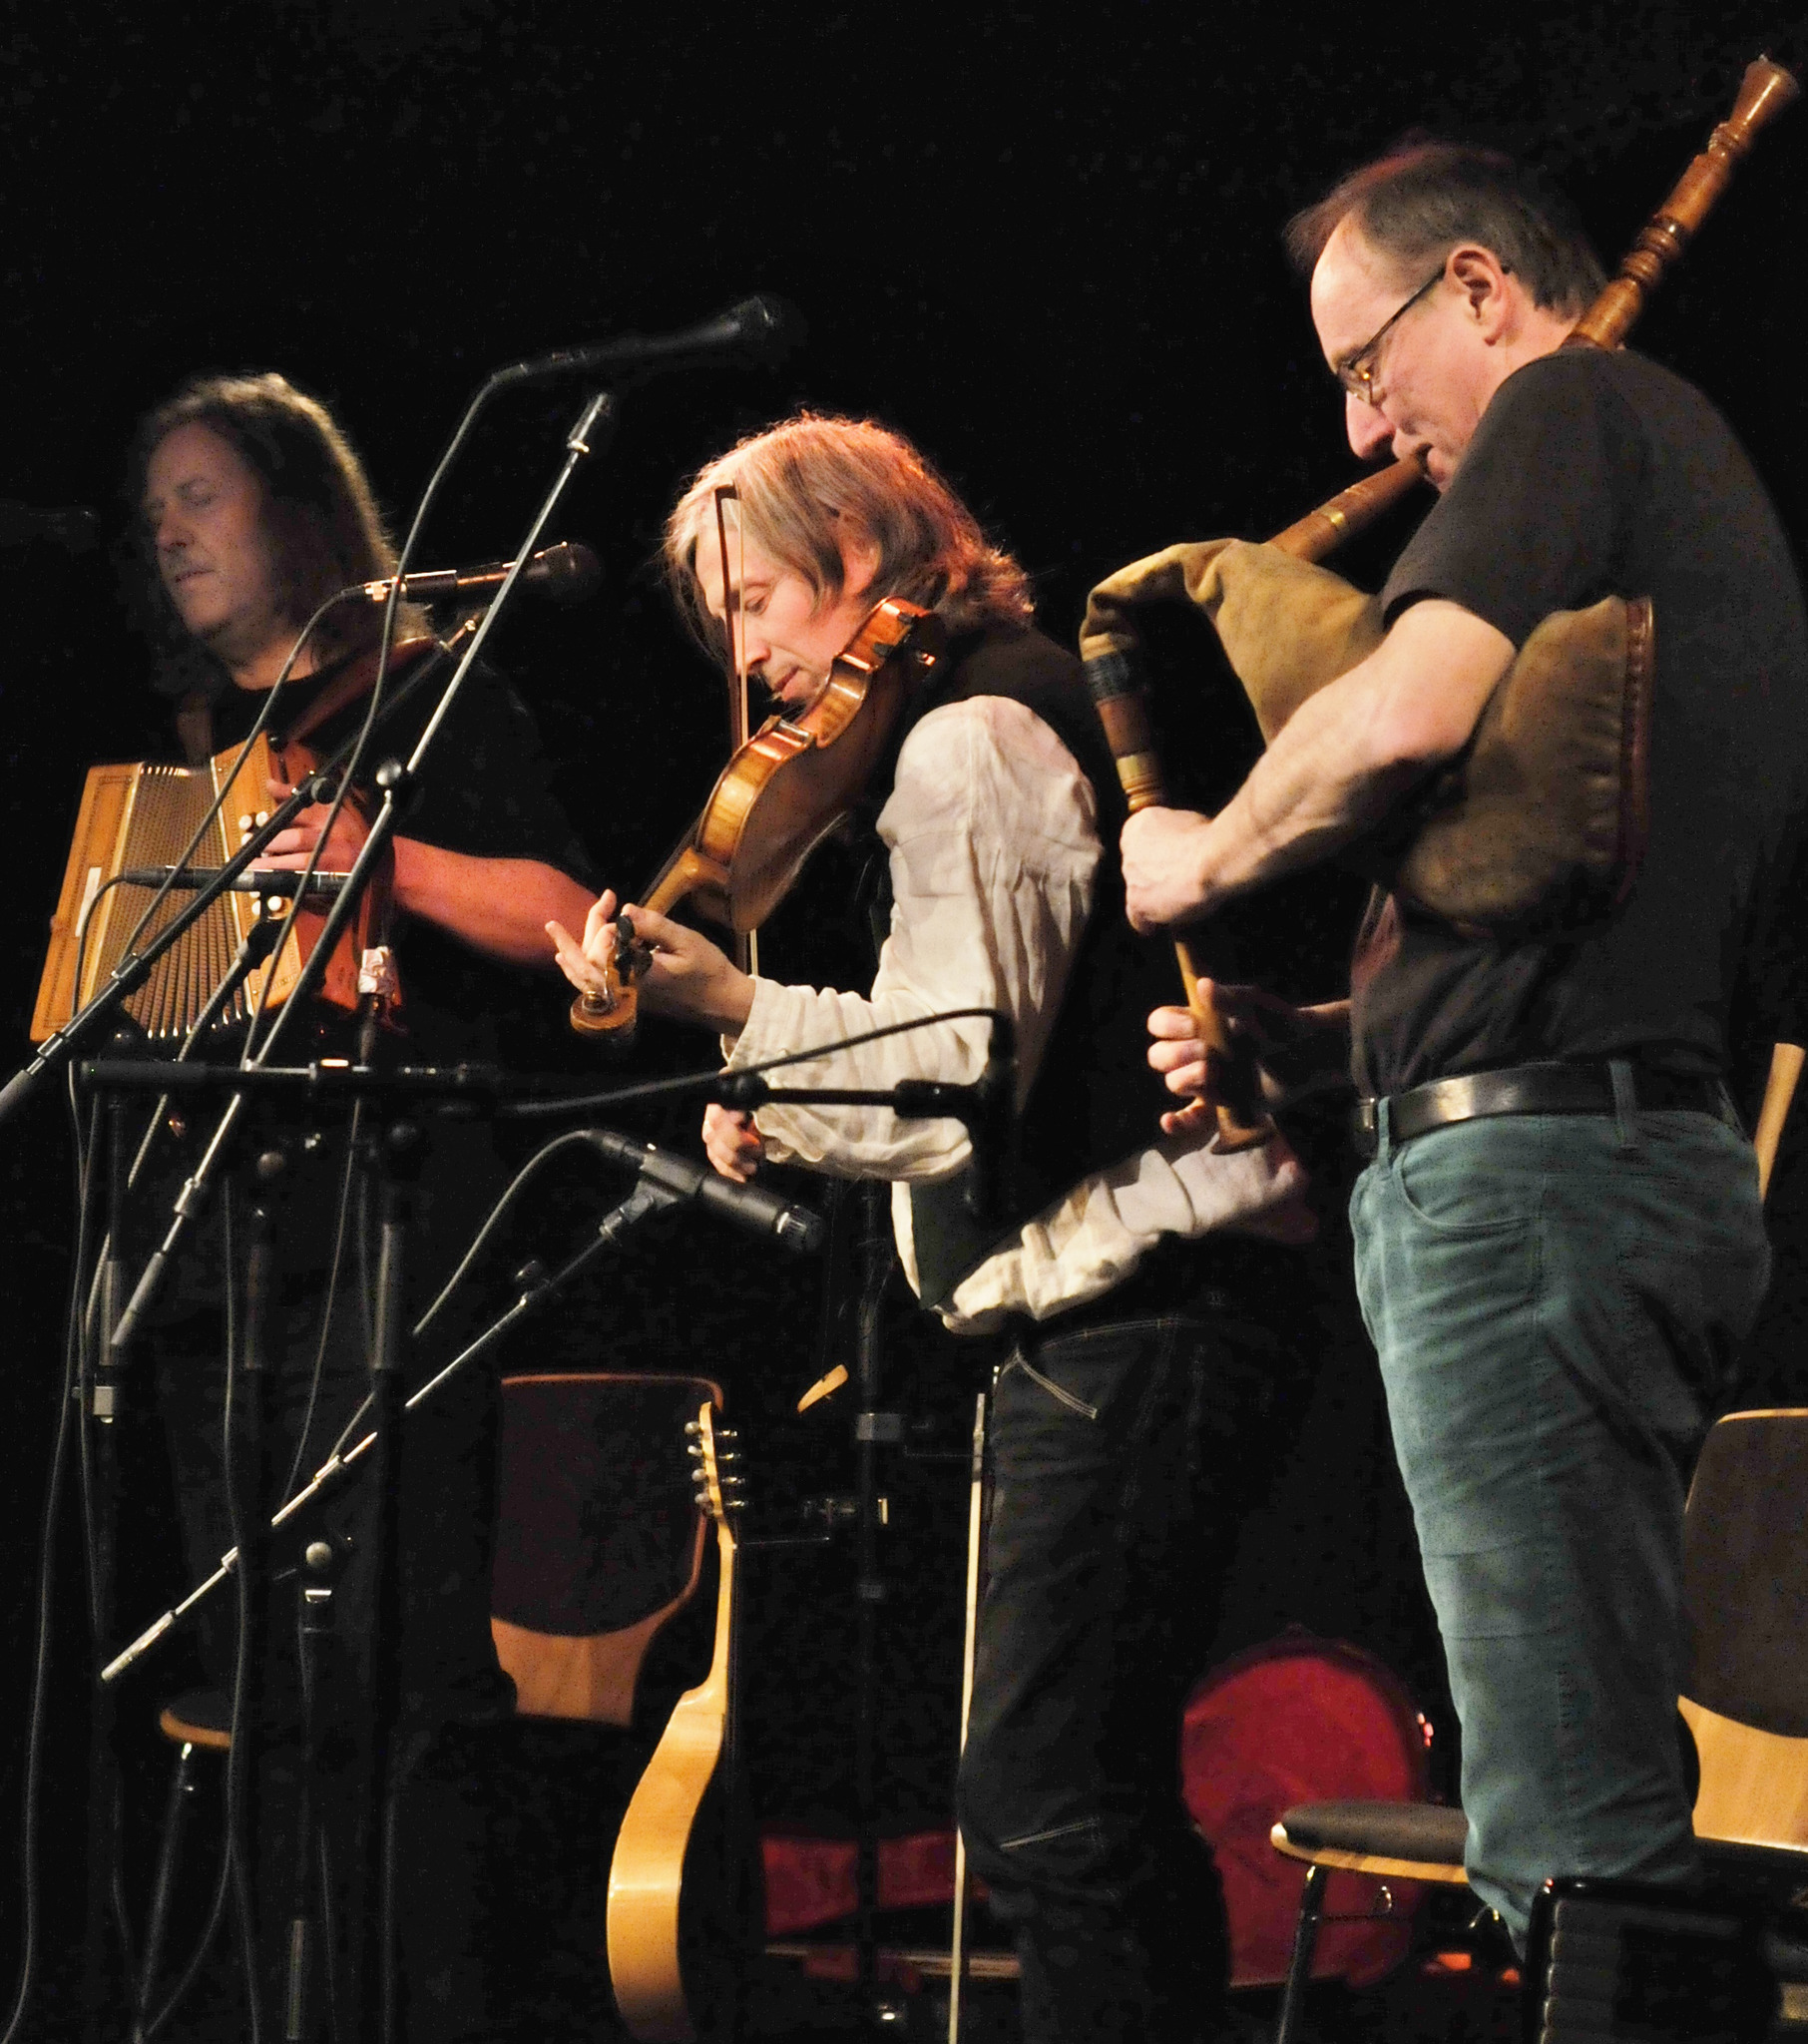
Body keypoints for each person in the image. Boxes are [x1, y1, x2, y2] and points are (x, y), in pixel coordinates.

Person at [551, 413, 1313, 2043]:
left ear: (853, 556)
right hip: (1131, 1312)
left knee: (1046, 1801)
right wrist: (780, 1070)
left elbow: (953, 1080)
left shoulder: (972, 735)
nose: (748, 661)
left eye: (756, 603)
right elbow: (953, 1043)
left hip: (1140, 1301)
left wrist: (743, 1009)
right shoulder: (974, 717)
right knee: (1068, 1799)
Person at [1120, 145, 1808, 1948]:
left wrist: (1199, 855)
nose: (1361, 433)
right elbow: (1606, 960)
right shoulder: (1667, 473)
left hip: (1532, 1201)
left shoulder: (1573, 405)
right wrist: (1335, 1047)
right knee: (1585, 1788)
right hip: (1602, 1162)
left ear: (1483, 291)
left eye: (1367, 365)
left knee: (1572, 1839)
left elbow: (1401, 714)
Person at [127, 370, 596, 2038]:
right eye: (158, 503)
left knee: (396, 1683)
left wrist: (373, 866)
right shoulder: (178, 749)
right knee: (260, 1697)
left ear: (299, 506)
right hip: (217, 1268)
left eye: (202, 493)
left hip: (386, 1242)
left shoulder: (427, 693)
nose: (168, 527)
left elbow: (567, 917)